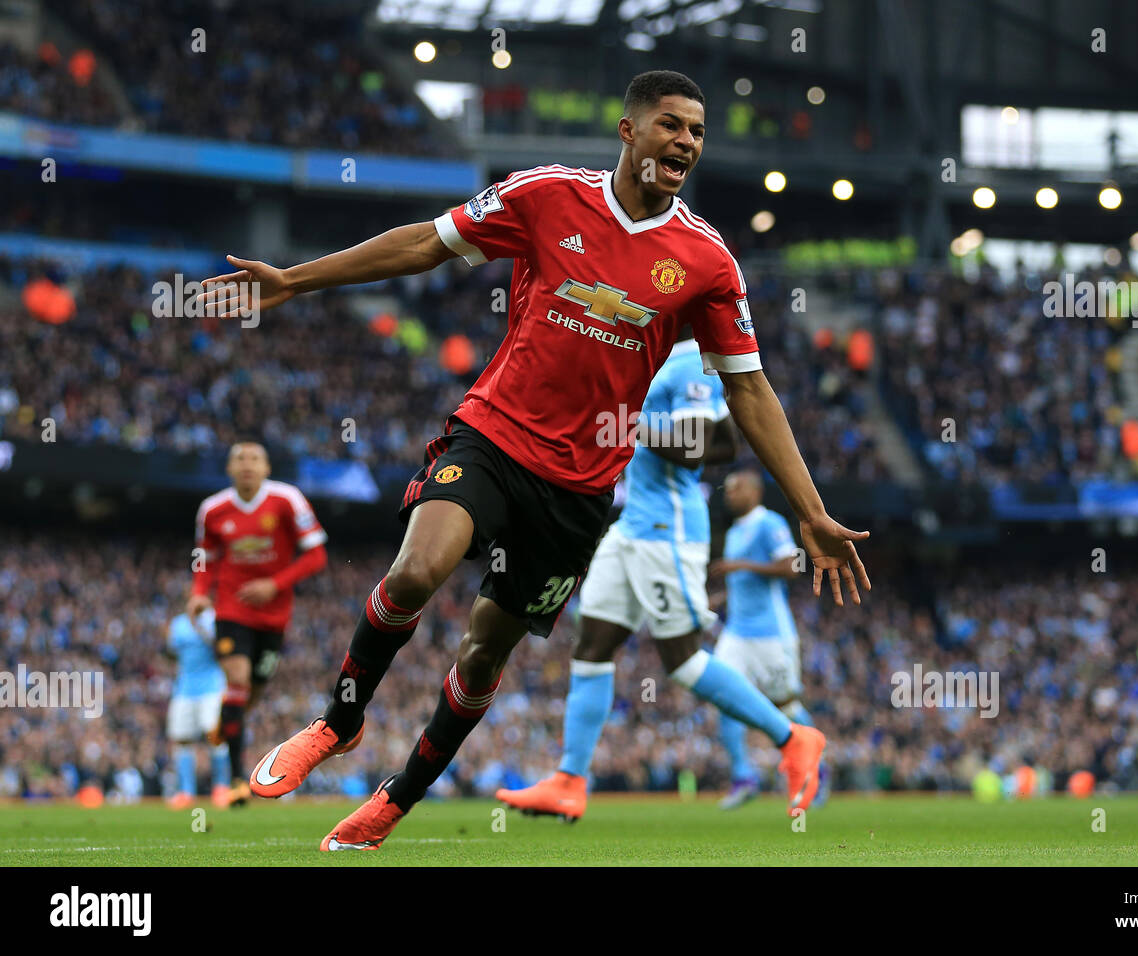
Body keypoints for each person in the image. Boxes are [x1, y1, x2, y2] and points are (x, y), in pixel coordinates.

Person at [203, 69, 870, 852]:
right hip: (494, 433)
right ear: (628, 131)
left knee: (484, 650)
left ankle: (397, 800)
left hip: (580, 487)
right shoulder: (546, 196)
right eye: (670, 124)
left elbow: (750, 391)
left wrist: (810, 509)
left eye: (695, 130)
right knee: (417, 571)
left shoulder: (707, 261)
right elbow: (426, 241)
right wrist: (296, 280)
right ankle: (340, 720)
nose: (685, 140)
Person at [496, 326, 821, 820]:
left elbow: (696, 447)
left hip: (666, 528)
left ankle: (793, 737)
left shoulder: (689, 363)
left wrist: (626, 424)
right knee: (592, 647)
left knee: (683, 661)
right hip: (633, 526)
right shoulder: (656, 361)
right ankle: (569, 779)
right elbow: (726, 445)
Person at [187, 441, 328, 805]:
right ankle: (235, 781)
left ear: (266, 468)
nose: (246, 464)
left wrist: (274, 584)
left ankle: (229, 719)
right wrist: (199, 591)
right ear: (229, 469)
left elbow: (316, 554)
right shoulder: (212, 510)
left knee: (254, 689)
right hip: (231, 610)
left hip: (274, 616)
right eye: (239, 459)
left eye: (254, 459)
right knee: (237, 678)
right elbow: (205, 558)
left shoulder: (287, 500)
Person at [707, 469, 822, 809]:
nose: (729, 493)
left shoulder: (769, 523)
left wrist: (740, 565)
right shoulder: (735, 532)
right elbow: (740, 582)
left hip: (771, 635)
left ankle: (816, 772)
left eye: (735, 487)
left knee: (786, 705)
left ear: (754, 492)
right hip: (737, 633)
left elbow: (791, 567)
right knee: (724, 695)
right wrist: (716, 601)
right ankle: (744, 776)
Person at [163, 605, 232, 808]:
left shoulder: (212, 620)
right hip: (184, 689)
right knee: (182, 740)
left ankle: (221, 787)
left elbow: (223, 648)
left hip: (211, 688)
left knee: (215, 737)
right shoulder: (178, 623)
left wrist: (201, 628)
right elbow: (172, 652)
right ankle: (186, 792)